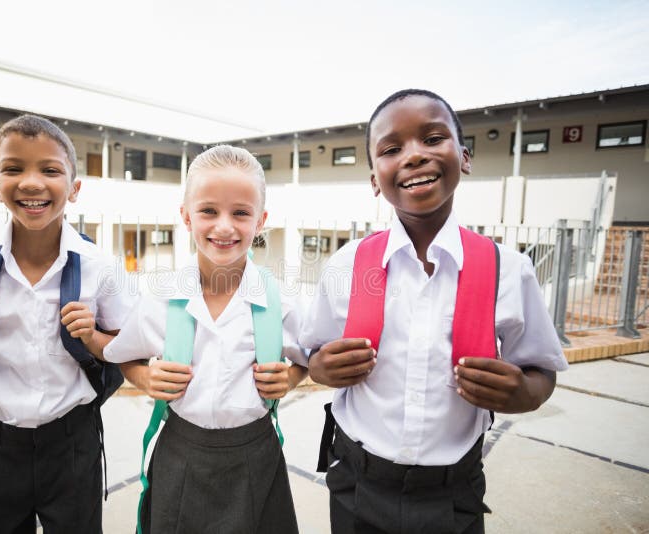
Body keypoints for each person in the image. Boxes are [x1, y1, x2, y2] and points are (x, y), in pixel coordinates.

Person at [299, 89, 569, 534]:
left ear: (463, 157)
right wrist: (321, 367)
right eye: (391, 149)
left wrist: (524, 392)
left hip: (454, 493)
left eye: (433, 138)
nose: (414, 156)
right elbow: (315, 356)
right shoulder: (347, 265)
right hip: (356, 485)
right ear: (374, 179)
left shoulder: (509, 270)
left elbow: (542, 371)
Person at [0, 114, 134, 534]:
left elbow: (127, 346)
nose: (32, 182)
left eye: (50, 169)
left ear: (74, 188)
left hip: (72, 444)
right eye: (14, 168)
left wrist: (94, 336)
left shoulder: (101, 268)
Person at [89, 145, 307, 533]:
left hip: (257, 459)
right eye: (209, 211)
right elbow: (121, 354)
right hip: (180, 456)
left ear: (261, 221)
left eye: (241, 213)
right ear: (186, 217)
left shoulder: (281, 302)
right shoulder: (161, 298)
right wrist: (143, 378)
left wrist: (290, 378)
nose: (224, 226)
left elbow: (311, 356)